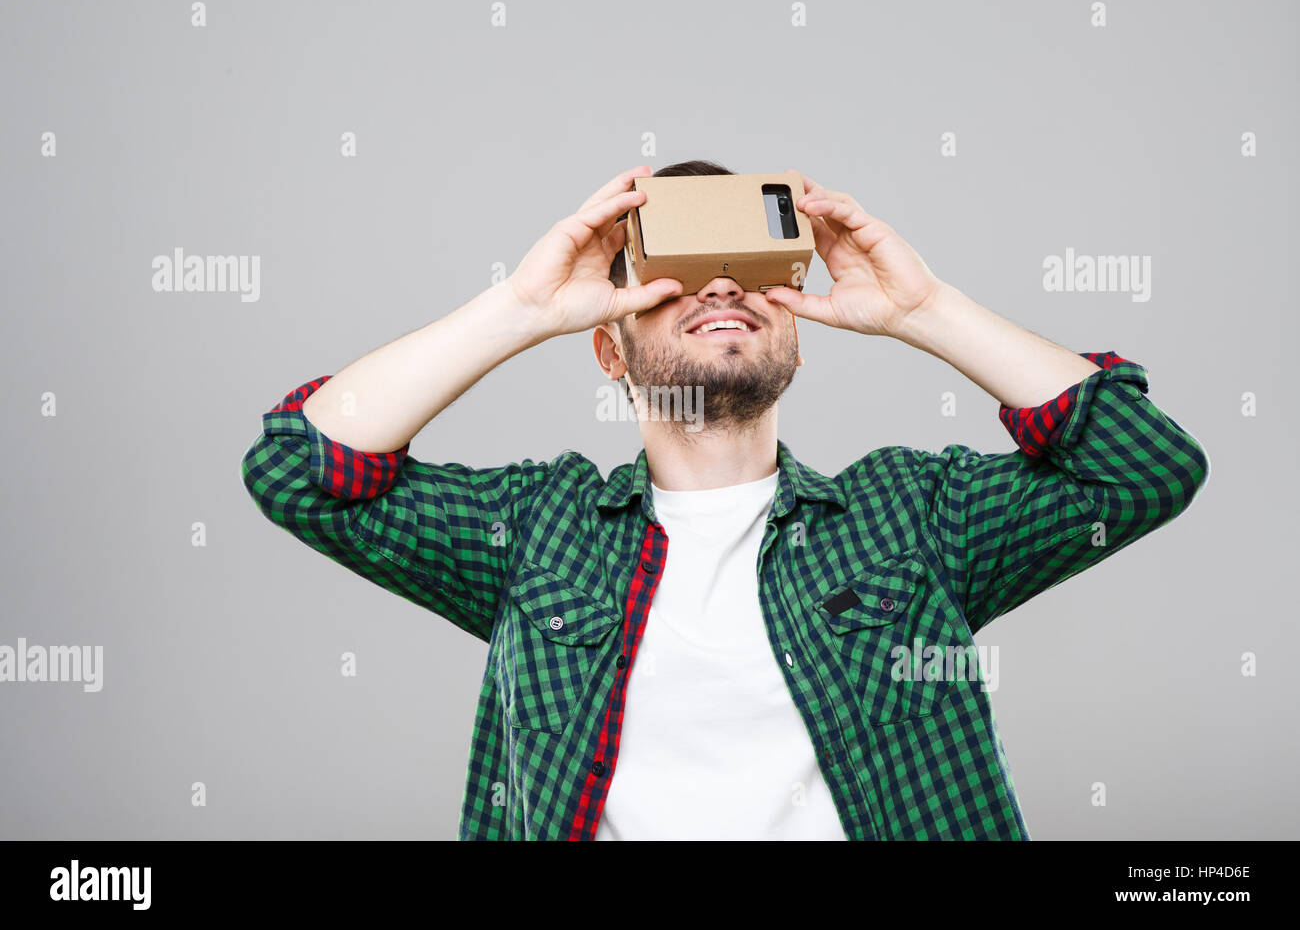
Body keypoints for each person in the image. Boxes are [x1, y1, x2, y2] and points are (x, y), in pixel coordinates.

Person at [240, 159, 1209, 840]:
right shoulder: (532, 531)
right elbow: (303, 472)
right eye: (667, 276)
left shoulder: (915, 514)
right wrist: (521, 309)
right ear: (608, 346)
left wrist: (923, 310)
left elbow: (1143, 467)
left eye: (751, 270)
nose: (715, 284)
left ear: (795, 323)